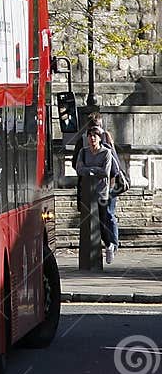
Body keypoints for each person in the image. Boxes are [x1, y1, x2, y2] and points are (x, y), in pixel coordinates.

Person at [71, 113, 131, 247]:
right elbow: (78, 165)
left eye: (97, 127)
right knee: (104, 216)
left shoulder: (104, 140)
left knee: (106, 215)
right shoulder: (85, 143)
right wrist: (94, 170)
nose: (94, 134)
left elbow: (112, 167)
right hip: (94, 186)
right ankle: (109, 244)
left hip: (108, 185)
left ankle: (112, 244)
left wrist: (90, 170)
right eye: (94, 127)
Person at [75, 126, 120, 263]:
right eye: (90, 136)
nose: (92, 138)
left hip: (101, 193)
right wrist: (94, 170)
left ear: (100, 138)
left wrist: (89, 170)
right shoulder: (83, 152)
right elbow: (79, 169)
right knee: (87, 222)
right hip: (86, 193)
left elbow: (105, 172)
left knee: (102, 222)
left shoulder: (106, 153)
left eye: (95, 135)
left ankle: (109, 245)